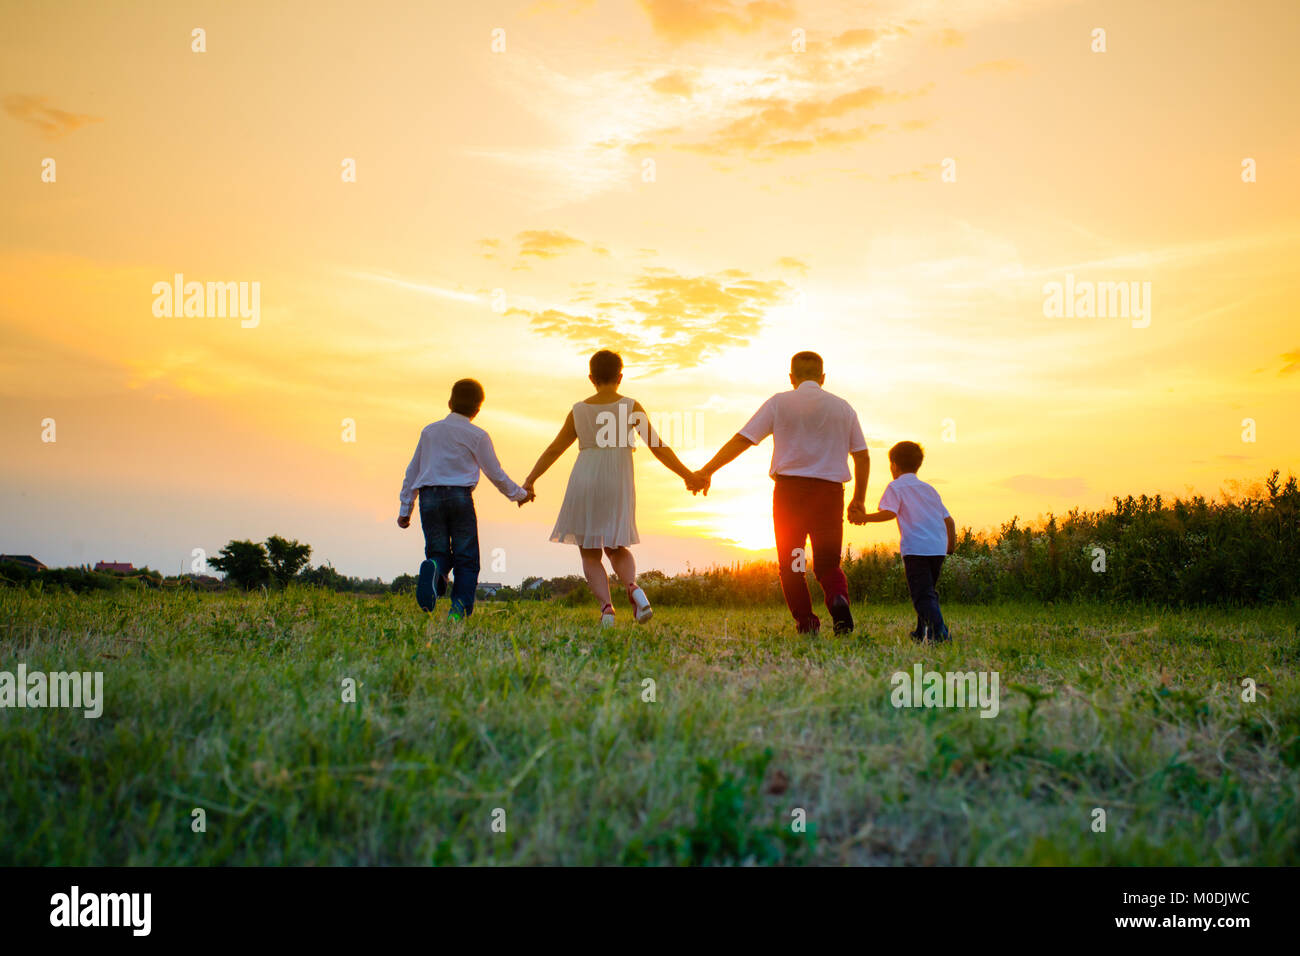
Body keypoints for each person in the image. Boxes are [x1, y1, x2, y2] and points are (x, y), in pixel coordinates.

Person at [523, 349, 704, 627]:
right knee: (617, 546)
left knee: (589, 552)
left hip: (584, 478)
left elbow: (554, 449)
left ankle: (607, 609)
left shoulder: (579, 410)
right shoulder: (631, 406)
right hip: (617, 479)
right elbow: (657, 446)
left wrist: (530, 480)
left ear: (591, 377)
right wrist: (687, 474)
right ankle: (633, 587)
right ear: (620, 376)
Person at [694, 351, 869, 635]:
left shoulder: (779, 402)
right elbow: (861, 455)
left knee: (792, 564)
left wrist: (707, 470)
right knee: (827, 563)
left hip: (790, 493)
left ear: (792, 378)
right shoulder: (843, 408)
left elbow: (744, 439)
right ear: (823, 378)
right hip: (829, 493)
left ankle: (807, 622)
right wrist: (858, 499)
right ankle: (838, 599)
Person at [396, 378, 533, 620]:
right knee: (466, 559)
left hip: (429, 498)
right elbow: (495, 473)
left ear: (449, 402)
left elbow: (412, 471)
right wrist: (518, 495)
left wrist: (406, 508)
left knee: (437, 552)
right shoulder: (478, 435)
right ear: (478, 410)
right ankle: (457, 612)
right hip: (459, 497)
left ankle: (436, 570)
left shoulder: (429, 431)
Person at [850, 440, 955, 642]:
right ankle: (920, 632)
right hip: (937, 549)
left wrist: (863, 518)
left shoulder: (896, 486)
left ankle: (940, 633)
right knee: (927, 591)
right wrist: (950, 546)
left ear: (894, 465)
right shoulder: (929, 489)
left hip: (916, 549)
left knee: (922, 595)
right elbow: (949, 520)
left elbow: (889, 513)